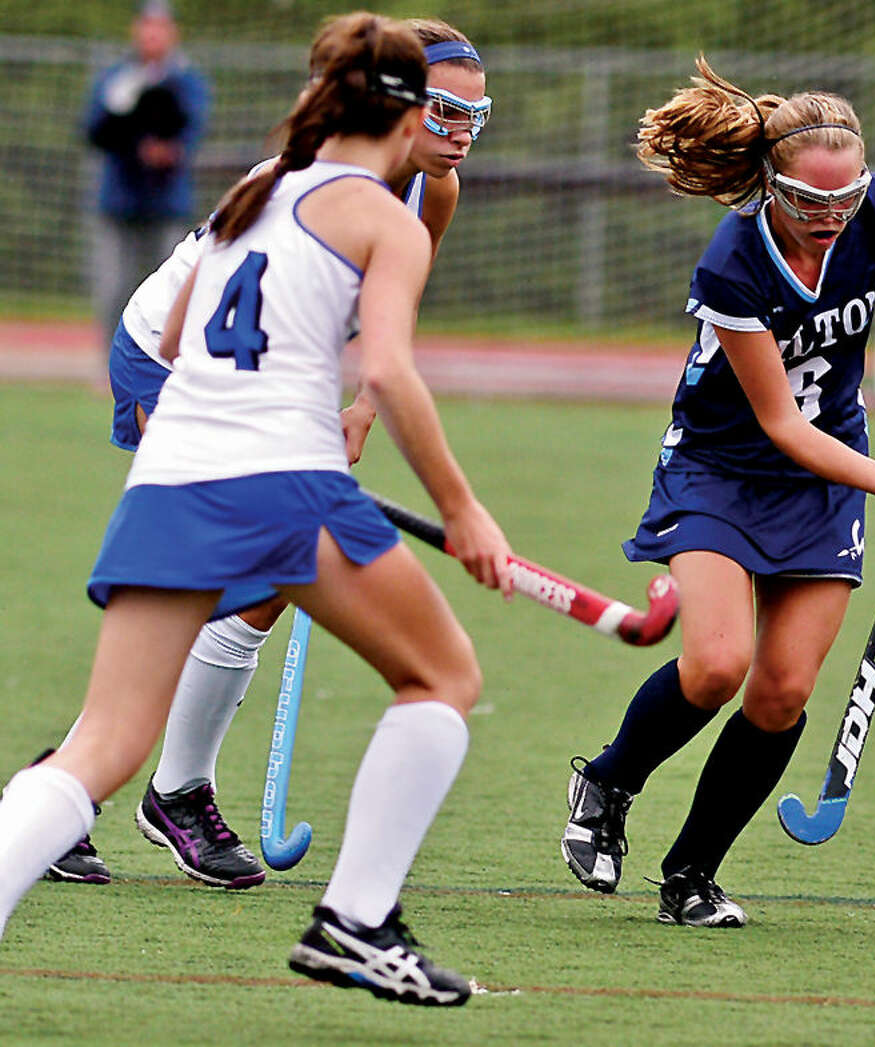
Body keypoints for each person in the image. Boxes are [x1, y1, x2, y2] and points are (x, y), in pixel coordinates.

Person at [0, 12, 511, 1007]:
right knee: (442, 675)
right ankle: (356, 925)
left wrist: (296, 404)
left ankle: (168, 796)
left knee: (104, 741)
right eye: (447, 111)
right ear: (406, 112)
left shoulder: (261, 186)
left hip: (187, 459)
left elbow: (206, 319)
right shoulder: (381, 215)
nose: (458, 132)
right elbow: (395, 373)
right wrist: (464, 510)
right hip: (271, 465)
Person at [560, 57, 875, 927]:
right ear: (769, 185)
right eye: (810, 203)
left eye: (845, 201)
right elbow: (780, 426)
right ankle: (610, 779)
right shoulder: (733, 261)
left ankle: (691, 873)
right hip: (721, 470)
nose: (831, 218)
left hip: (823, 481)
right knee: (716, 665)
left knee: (778, 693)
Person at [84, 1, 209, 373]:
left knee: (170, 289)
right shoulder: (116, 78)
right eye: (146, 25)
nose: (152, 34)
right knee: (113, 287)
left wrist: (169, 151)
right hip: (118, 200)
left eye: (160, 26)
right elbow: (94, 129)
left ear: (172, 33)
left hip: (167, 201)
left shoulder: (187, 80)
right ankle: (109, 367)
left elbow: (193, 129)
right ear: (136, 30)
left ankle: (164, 367)